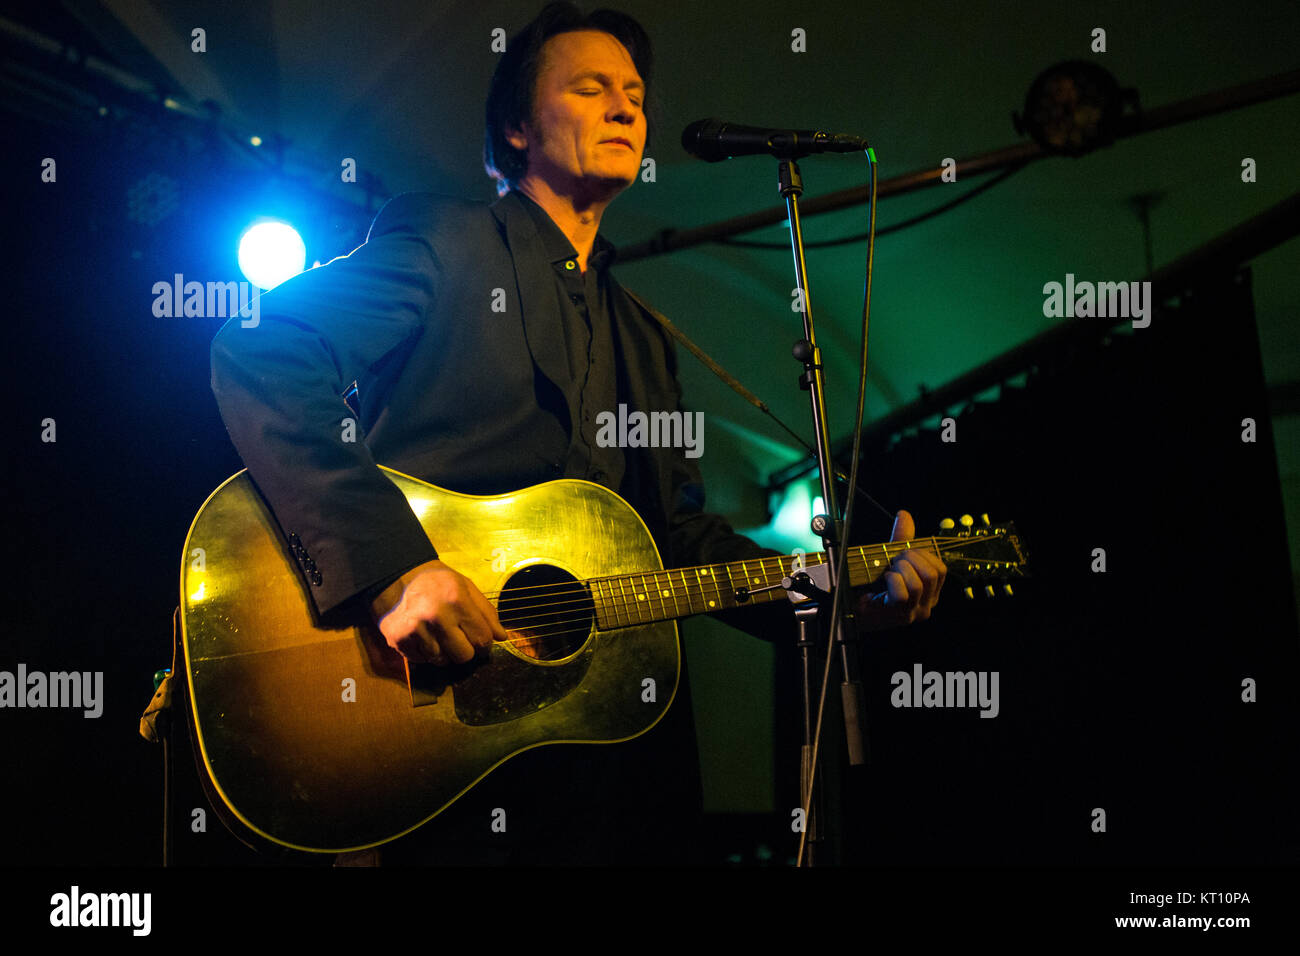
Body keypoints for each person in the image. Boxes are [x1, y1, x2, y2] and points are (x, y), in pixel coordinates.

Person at [209, 2, 945, 865]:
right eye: (591, 88)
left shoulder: (645, 335)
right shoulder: (448, 240)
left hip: (611, 765)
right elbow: (266, 348)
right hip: (438, 728)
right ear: (518, 128)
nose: (627, 108)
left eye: (635, 94)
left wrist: (849, 593)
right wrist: (394, 571)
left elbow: (682, 542)